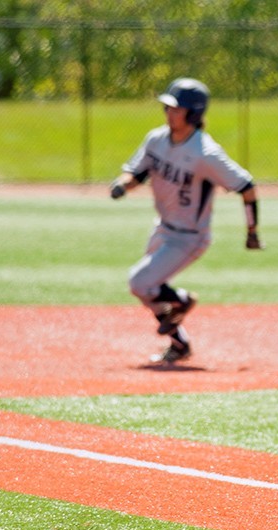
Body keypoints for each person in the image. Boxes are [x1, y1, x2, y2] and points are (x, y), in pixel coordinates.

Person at [110, 77, 262, 363]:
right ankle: (180, 344)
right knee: (149, 290)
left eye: (176, 109)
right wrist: (122, 185)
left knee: (140, 282)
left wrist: (252, 230)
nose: (169, 113)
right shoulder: (156, 139)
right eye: (167, 107)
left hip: (190, 237)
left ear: (193, 113)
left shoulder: (205, 153)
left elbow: (247, 186)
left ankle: (180, 300)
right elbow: (137, 173)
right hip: (163, 228)